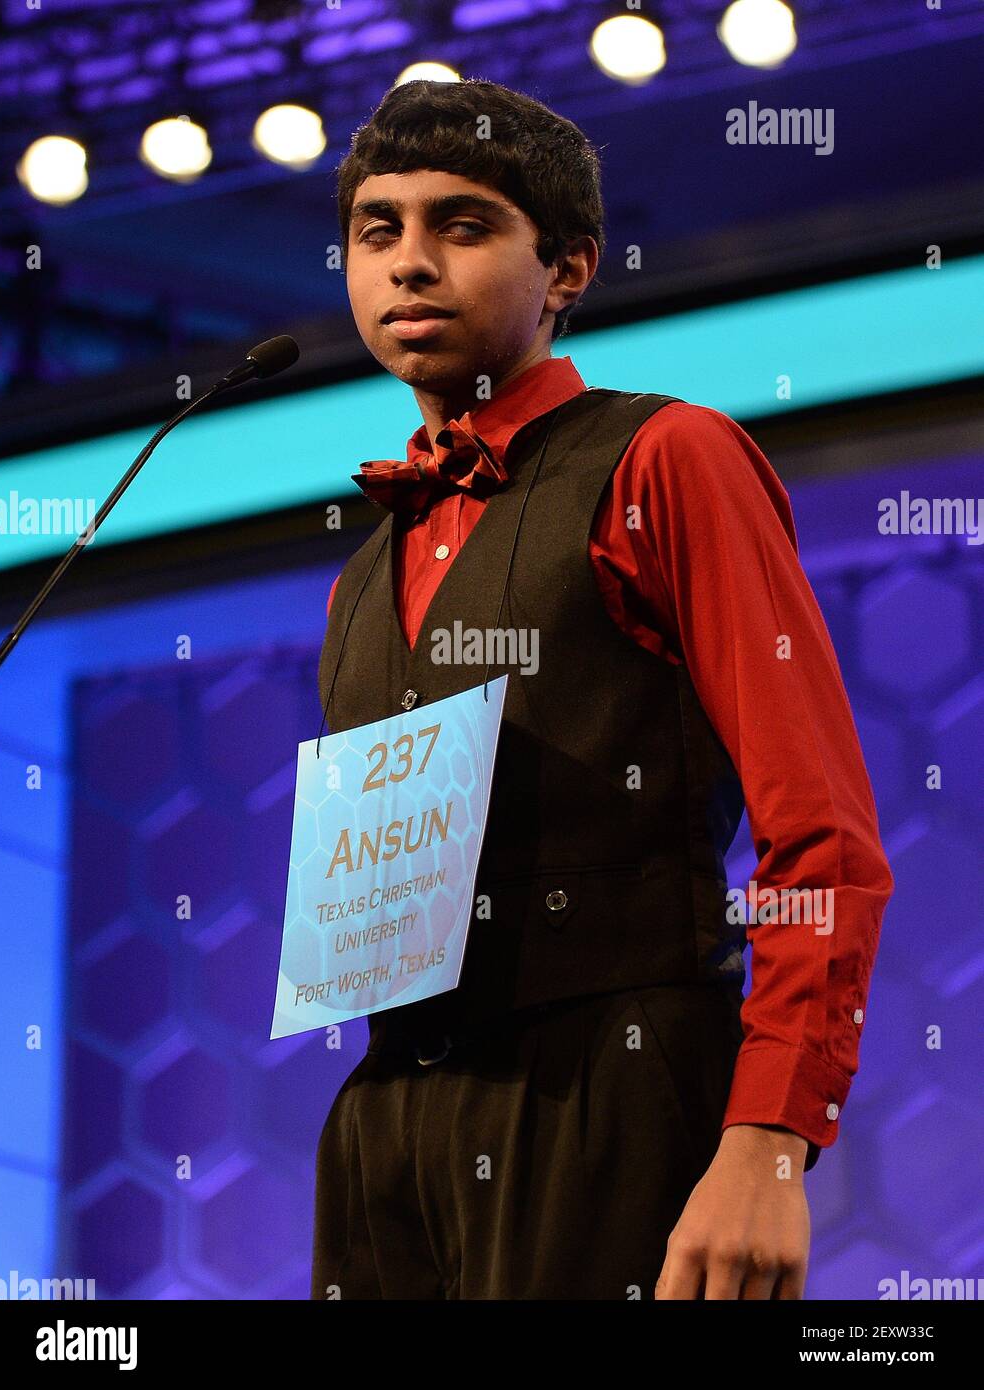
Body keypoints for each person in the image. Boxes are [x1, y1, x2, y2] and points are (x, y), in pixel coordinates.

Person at [310, 78, 894, 1300]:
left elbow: (820, 835)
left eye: (460, 227)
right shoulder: (364, 570)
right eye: (379, 231)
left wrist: (769, 1143)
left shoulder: (665, 457)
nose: (409, 264)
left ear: (568, 267)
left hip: (611, 1090)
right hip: (385, 1123)